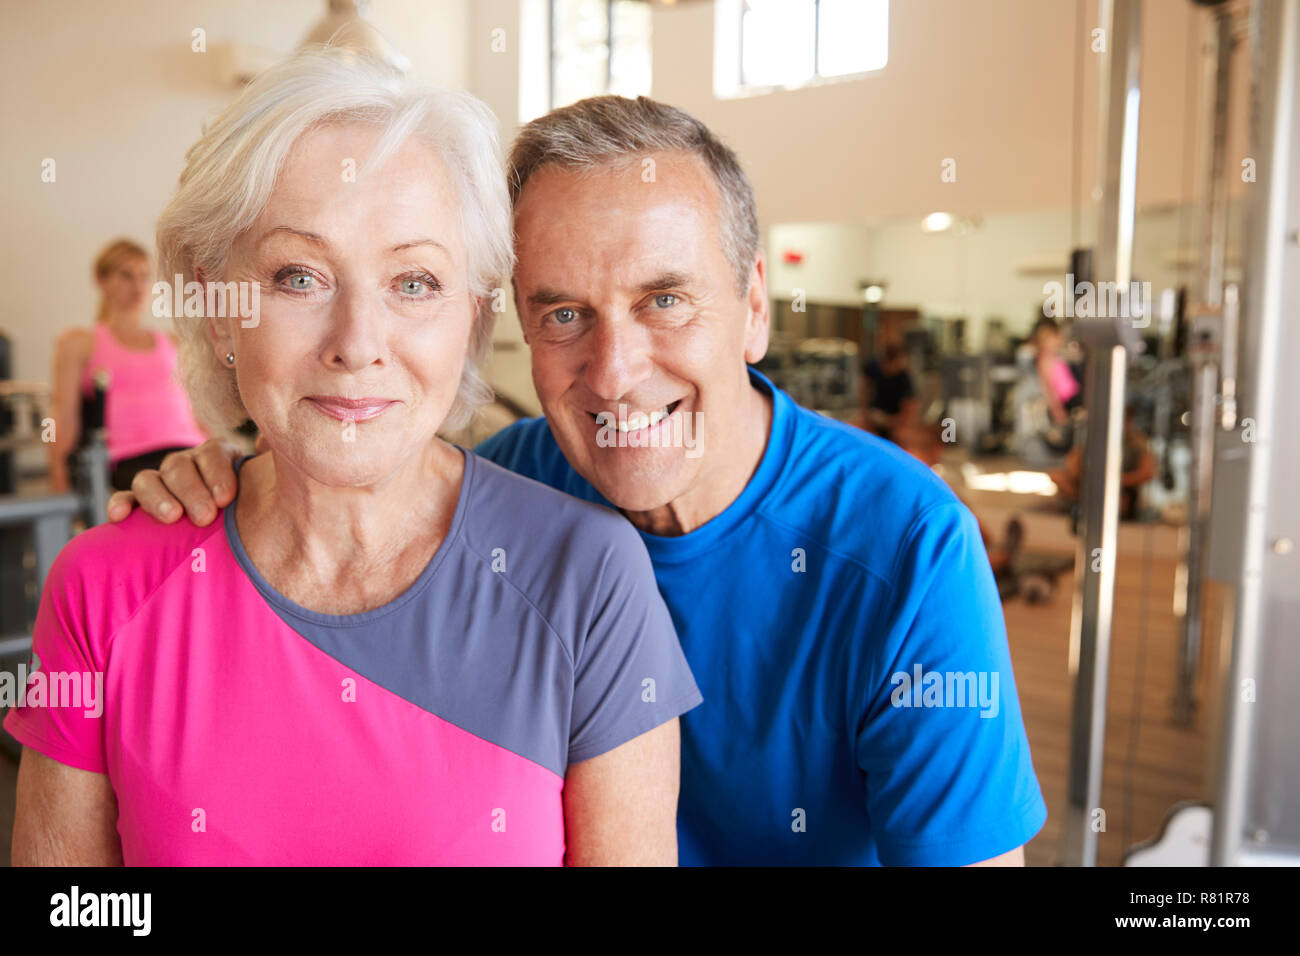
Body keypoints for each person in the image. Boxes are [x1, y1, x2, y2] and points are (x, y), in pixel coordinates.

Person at [111, 94, 1046, 866]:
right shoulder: (505, 494)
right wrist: (231, 480)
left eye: (666, 301)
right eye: (563, 314)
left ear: (754, 306)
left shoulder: (904, 547)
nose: (614, 370)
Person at [7, 51, 700, 866]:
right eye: (299, 277)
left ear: (471, 316)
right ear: (218, 308)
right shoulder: (105, 586)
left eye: (414, 283)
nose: (358, 344)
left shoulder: (588, 575)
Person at [47, 239, 209, 492]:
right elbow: (59, 416)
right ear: (102, 280)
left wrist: (215, 447)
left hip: (191, 448)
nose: (138, 286)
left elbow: (196, 415)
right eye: (126, 276)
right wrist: (57, 473)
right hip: (132, 458)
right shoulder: (79, 343)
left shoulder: (172, 342)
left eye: (145, 277)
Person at [859, 343, 918, 444]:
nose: (889, 369)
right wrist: (865, 413)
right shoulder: (873, 367)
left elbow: (909, 407)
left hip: (895, 419)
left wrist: (895, 423)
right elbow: (864, 389)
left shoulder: (904, 378)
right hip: (875, 414)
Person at [1032, 315, 1080, 427]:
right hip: (1064, 406)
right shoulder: (1045, 360)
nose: (1058, 339)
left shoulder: (1056, 356)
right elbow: (1049, 389)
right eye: (1054, 337)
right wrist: (1059, 413)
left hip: (1072, 401)